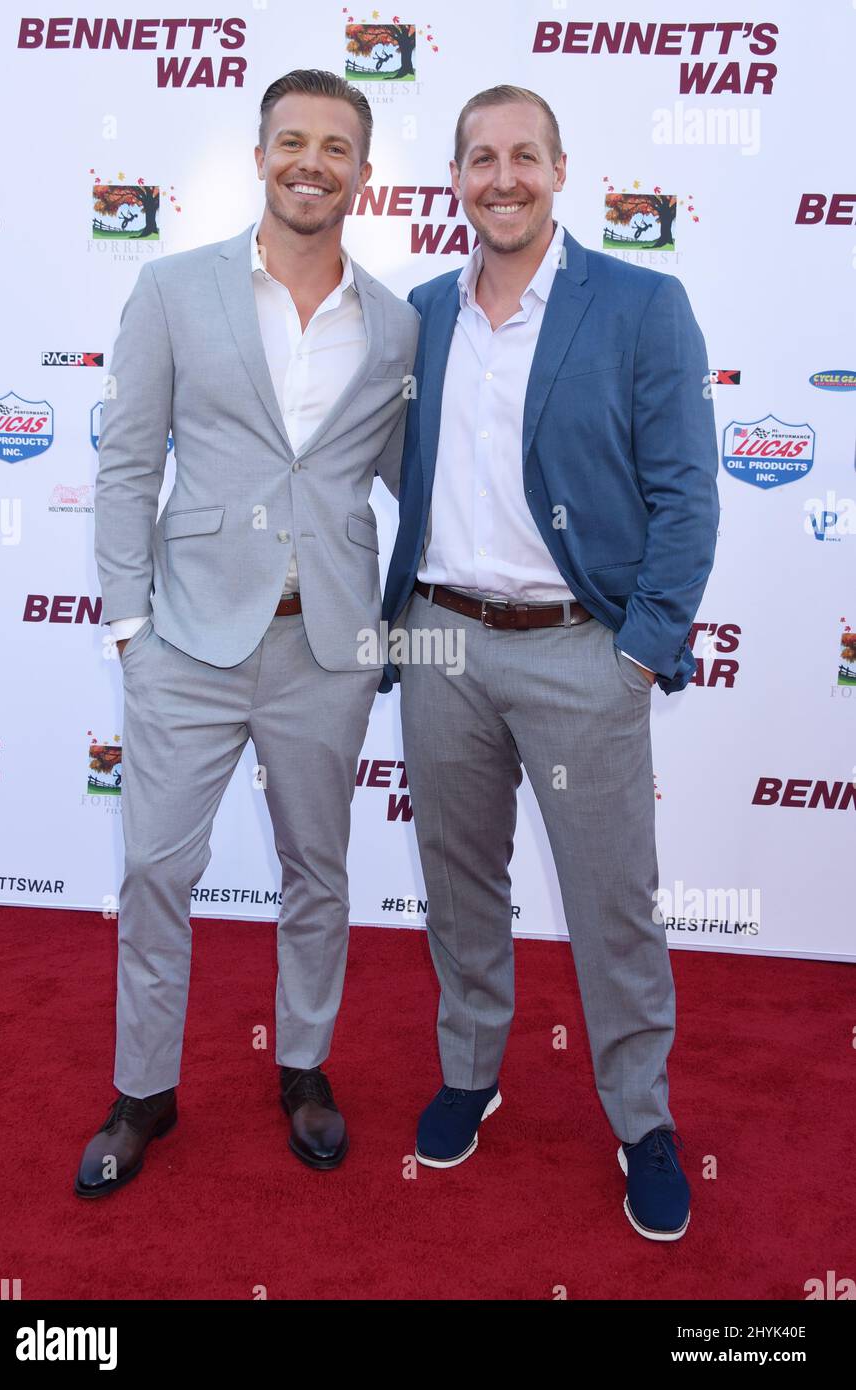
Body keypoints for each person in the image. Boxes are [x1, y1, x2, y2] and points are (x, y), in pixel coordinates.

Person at [380, 85, 719, 1241]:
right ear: (457, 180)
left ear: (560, 169)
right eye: (480, 158)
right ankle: (471, 1068)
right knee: (459, 884)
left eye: (523, 154)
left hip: (580, 654)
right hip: (439, 644)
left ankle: (640, 1119)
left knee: (610, 905)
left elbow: (684, 493)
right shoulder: (423, 311)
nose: (502, 176)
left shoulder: (639, 303)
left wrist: (639, 651)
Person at [77, 68, 418, 1197]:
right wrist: (131, 623)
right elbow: (128, 456)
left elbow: (408, 485)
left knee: (318, 870)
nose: (311, 162)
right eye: (292, 141)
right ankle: (142, 1092)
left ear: (363, 172)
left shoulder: (401, 324)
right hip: (185, 639)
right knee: (154, 872)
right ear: (259, 152)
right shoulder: (175, 287)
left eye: (335, 146)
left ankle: (305, 1071)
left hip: (325, 648)